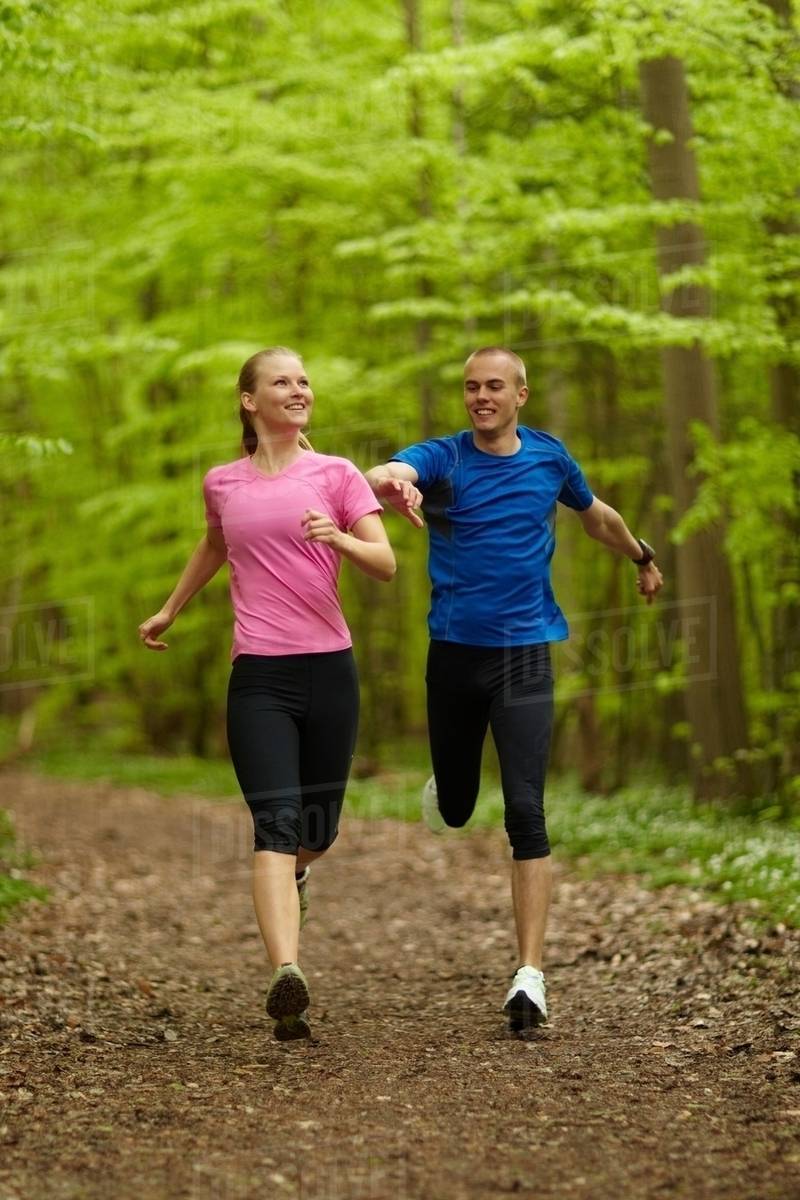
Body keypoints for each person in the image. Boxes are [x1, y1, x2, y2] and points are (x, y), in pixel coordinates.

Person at [365, 346, 663, 1032]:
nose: (480, 397)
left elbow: (598, 517)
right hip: (454, 657)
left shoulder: (549, 458)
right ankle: (448, 783)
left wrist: (642, 556)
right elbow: (388, 471)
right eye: (471, 387)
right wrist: (394, 484)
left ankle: (529, 975)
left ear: (520, 395)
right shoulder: (444, 457)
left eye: (494, 386)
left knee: (526, 811)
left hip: (526, 656)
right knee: (459, 805)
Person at [139, 347, 395, 1041]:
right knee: (274, 826)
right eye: (281, 381)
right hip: (258, 676)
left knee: (318, 831)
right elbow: (214, 546)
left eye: (305, 379)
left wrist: (337, 536)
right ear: (250, 401)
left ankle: (295, 884)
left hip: (330, 669)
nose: (298, 389)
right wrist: (171, 609)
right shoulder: (223, 482)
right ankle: (288, 974)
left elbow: (386, 563)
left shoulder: (336, 474)